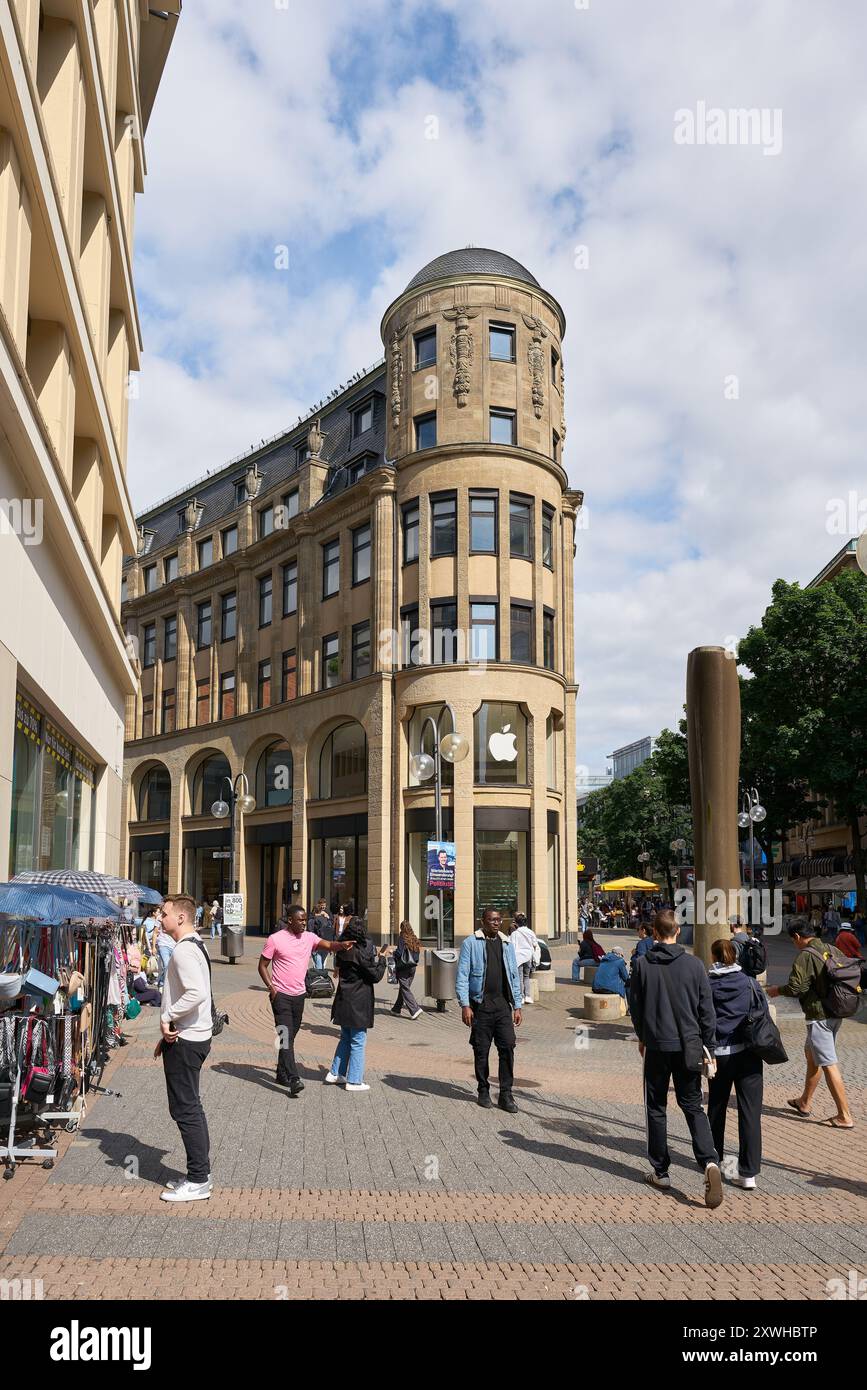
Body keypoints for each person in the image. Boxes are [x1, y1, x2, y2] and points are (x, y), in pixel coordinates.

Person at [629, 908, 723, 1208]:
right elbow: (707, 1011)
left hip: (657, 1044)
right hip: (689, 1046)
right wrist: (710, 1046)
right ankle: (709, 1161)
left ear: (654, 933)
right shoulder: (695, 965)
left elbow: (636, 1006)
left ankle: (661, 1170)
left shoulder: (642, 964)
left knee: (656, 1107)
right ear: (678, 932)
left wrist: (643, 1035)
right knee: (693, 1105)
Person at [767, 918, 854, 1129]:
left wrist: (777, 990)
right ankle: (804, 1102)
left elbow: (796, 987)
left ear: (797, 936)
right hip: (836, 1011)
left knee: (828, 1063)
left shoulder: (805, 956)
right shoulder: (830, 948)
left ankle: (844, 1115)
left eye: (792, 940)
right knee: (811, 1054)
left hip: (819, 1016)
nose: (794, 944)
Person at [155, 895, 213, 1203]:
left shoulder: (183, 951)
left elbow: (197, 993)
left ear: (180, 918)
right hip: (195, 1037)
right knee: (191, 1106)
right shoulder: (195, 946)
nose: (159, 918)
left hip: (186, 1040)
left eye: (164, 914)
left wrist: (168, 1015)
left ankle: (198, 1180)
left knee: (185, 1108)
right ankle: (199, 1173)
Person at [259, 906, 348, 1097]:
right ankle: (293, 1079)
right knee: (284, 1036)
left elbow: (328, 945)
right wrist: (271, 988)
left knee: (290, 1037)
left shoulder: (308, 937)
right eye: (300, 920)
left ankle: (281, 1073)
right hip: (280, 996)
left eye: (305, 919)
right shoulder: (275, 939)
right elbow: (262, 966)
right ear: (290, 920)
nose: (303, 923)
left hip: (299, 996)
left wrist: (342, 945)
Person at [707, 939, 764, 1190]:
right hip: (749, 1053)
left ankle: (713, 1160)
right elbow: (761, 1011)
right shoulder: (749, 982)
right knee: (750, 1113)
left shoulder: (707, 984)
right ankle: (748, 1173)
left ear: (714, 956)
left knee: (716, 1108)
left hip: (720, 1054)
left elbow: (702, 1018)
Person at [456, 906, 523, 1112]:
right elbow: (462, 976)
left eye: (499, 919)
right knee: (481, 1050)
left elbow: (514, 975)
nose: (496, 922)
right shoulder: (471, 943)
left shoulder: (506, 942)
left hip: (503, 1005)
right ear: (483, 922)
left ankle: (505, 1094)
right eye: (492, 919)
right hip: (481, 1006)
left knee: (508, 1047)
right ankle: (483, 1090)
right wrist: (465, 1005)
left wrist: (518, 1005)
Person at [324, 917, 387, 1091]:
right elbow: (374, 975)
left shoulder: (343, 950)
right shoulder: (359, 953)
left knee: (345, 1037)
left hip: (344, 998)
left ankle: (335, 1073)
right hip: (358, 1001)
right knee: (358, 1040)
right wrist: (381, 960)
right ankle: (354, 1080)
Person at [388, 920, 422, 1019]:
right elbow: (417, 954)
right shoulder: (414, 938)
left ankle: (415, 1009)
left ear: (402, 928)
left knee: (405, 988)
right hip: (413, 967)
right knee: (404, 988)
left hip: (404, 968)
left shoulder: (402, 937)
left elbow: (399, 953)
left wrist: (392, 952)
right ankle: (396, 1009)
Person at [509, 912, 539, 1006]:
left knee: (519, 978)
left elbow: (511, 946)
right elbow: (535, 944)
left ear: (516, 923)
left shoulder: (515, 933)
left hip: (518, 958)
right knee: (526, 976)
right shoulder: (530, 932)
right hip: (528, 957)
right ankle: (528, 996)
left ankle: (521, 997)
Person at [310, 899, 333, 969]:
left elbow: (331, 923)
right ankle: (320, 972)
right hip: (321, 940)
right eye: (322, 906)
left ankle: (320, 972)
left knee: (320, 960)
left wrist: (328, 917)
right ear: (319, 906)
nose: (323, 907)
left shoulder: (328, 913)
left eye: (324, 905)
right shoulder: (314, 918)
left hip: (323, 940)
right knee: (319, 960)